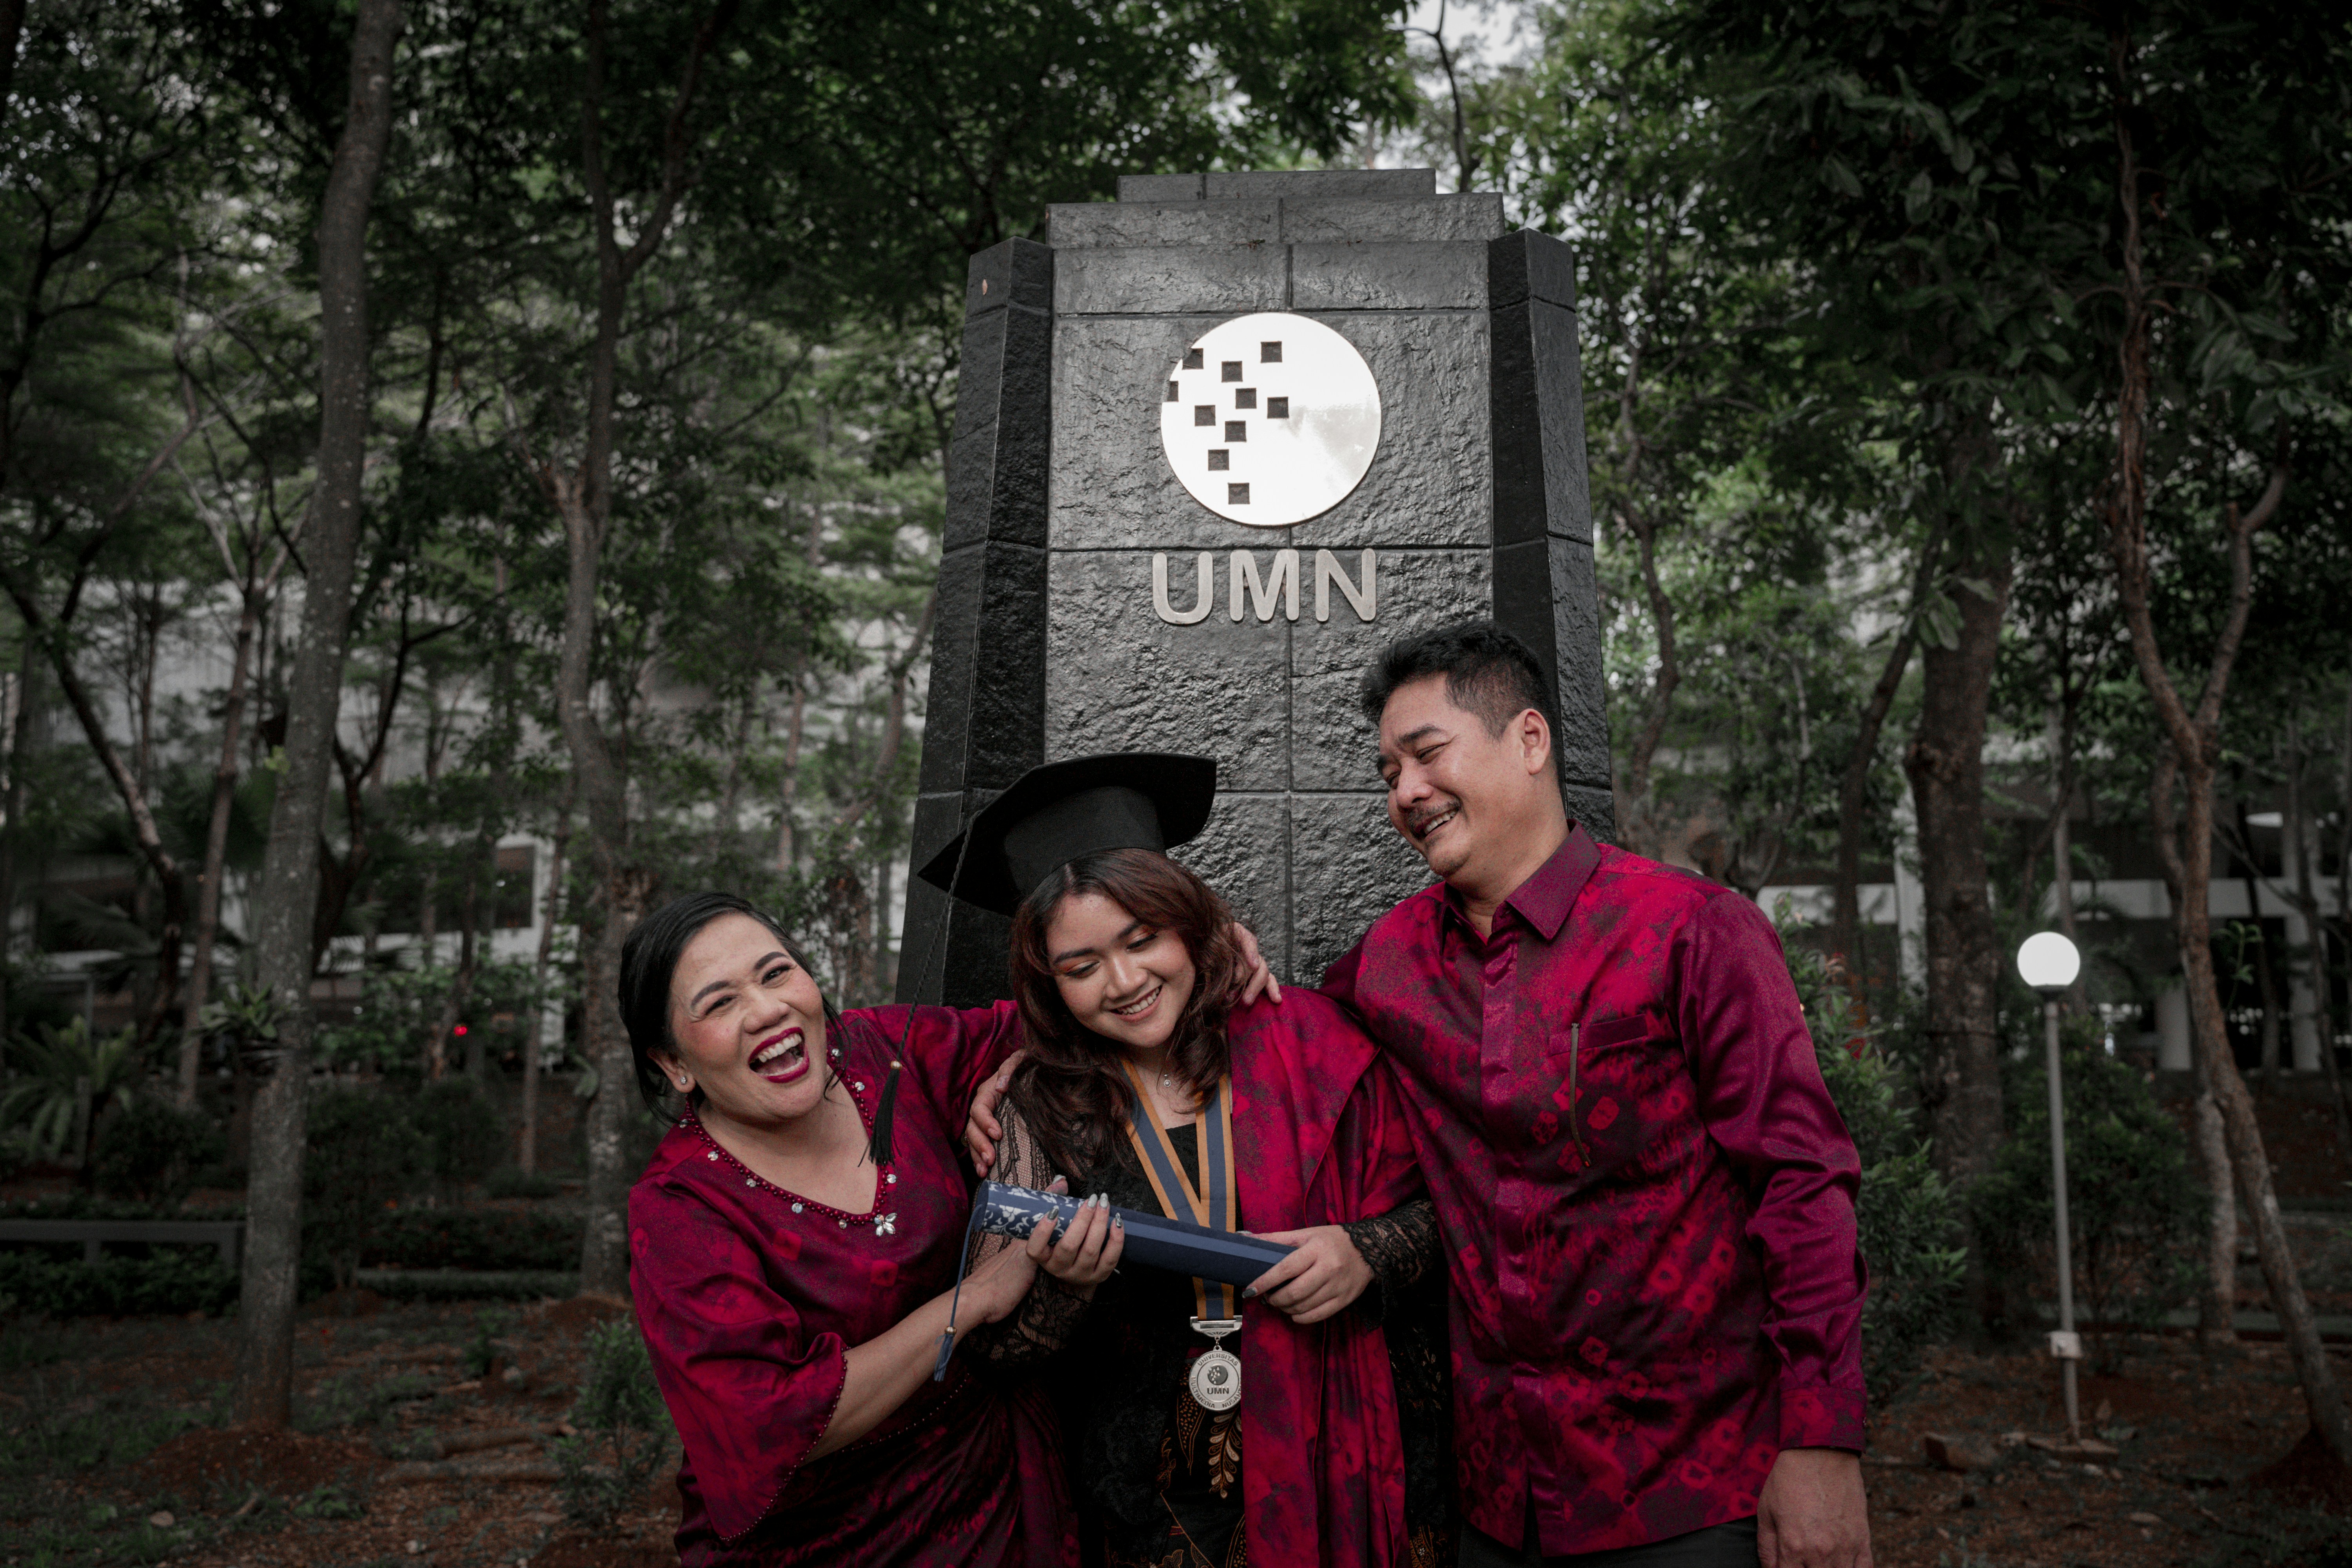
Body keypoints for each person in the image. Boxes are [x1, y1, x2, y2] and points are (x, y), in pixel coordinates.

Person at [970, 626, 1871, 1568]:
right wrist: (1015, 1053)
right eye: (1388, 769)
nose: (1405, 791)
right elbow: (1223, 1018)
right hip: (1490, 1493)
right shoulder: (1386, 969)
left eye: (1428, 753)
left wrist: (1821, 1440)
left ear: (1530, 740)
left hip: (1686, 1481)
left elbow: (1803, 1185)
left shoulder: (1694, 932)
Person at [919, 753, 1452, 1568]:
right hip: (1154, 1505)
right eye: (1082, 966)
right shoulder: (1039, 1110)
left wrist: (1366, 1251)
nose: (1125, 980)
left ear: (1188, 923)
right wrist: (1067, 1286)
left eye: (1143, 939)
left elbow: (1451, 1214)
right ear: (1048, 981)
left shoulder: (1312, 1038)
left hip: (1349, 1464)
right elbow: (1002, 1355)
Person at [619, 891, 1080, 1566]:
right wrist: (972, 1300)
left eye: (776, 973)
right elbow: (767, 1422)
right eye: (719, 1003)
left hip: (994, 1496)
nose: (767, 1009)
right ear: (673, 1065)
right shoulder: (679, 1208)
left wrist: (1207, 952)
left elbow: (1058, 1018)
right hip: (823, 1540)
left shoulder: (885, 1053)